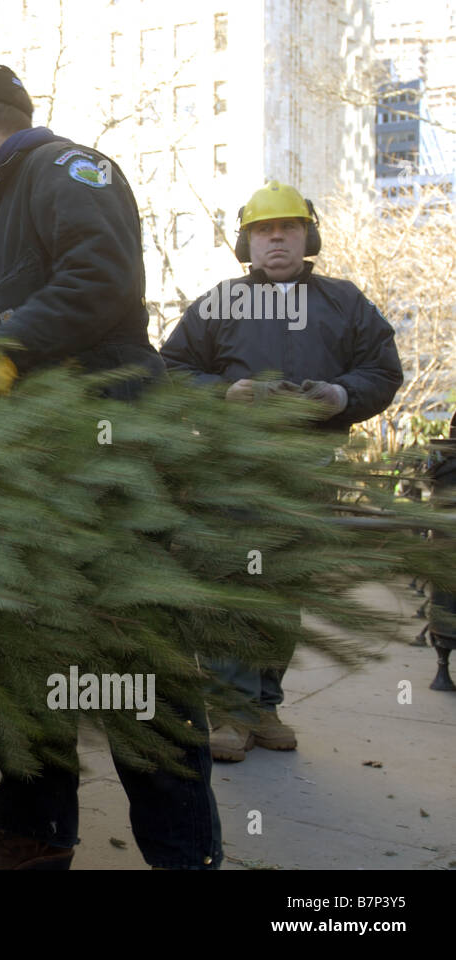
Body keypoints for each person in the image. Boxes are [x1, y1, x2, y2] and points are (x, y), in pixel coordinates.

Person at [0, 64, 223, 871]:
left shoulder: (68, 170)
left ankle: (181, 857)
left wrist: (4, 347)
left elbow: (101, 279)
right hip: (24, 466)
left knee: (134, 656)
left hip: (104, 453)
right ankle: (30, 833)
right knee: (21, 646)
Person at [161, 181, 403, 761]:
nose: (276, 238)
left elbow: (382, 370)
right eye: (264, 230)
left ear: (307, 235)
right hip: (234, 467)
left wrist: (341, 396)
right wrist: (223, 393)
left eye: (288, 228)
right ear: (247, 241)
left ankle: (263, 704)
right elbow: (168, 368)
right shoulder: (220, 302)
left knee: (284, 588)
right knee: (234, 585)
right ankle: (230, 708)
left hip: (309, 467)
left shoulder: (345, 301)